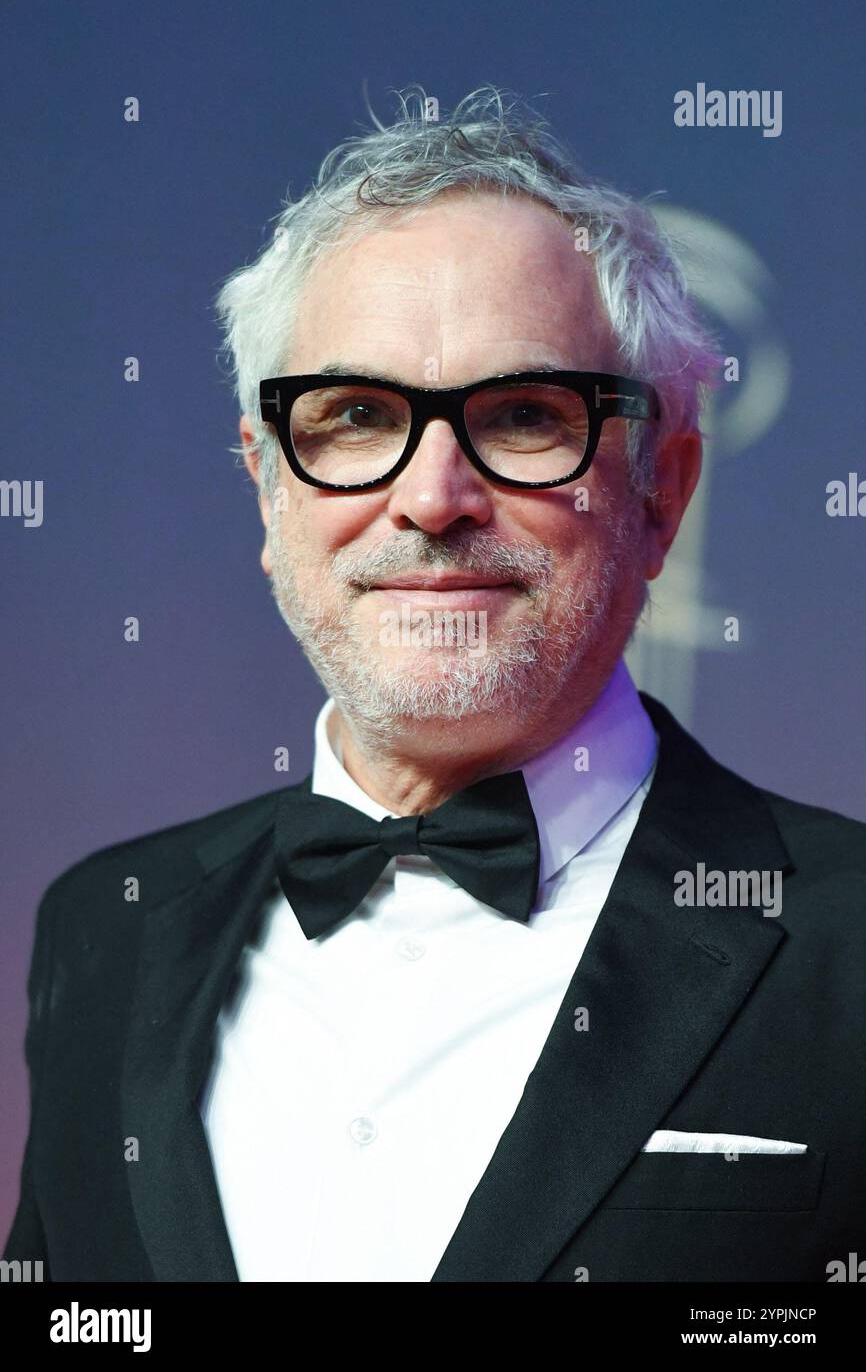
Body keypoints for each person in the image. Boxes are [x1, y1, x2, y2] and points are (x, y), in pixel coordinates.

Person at [4, 85, 864, 1283]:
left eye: (520, 415)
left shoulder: (849, 943)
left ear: (660, 490)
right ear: (267, 489)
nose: (429, 496)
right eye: (354, 416)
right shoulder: (104, 927)